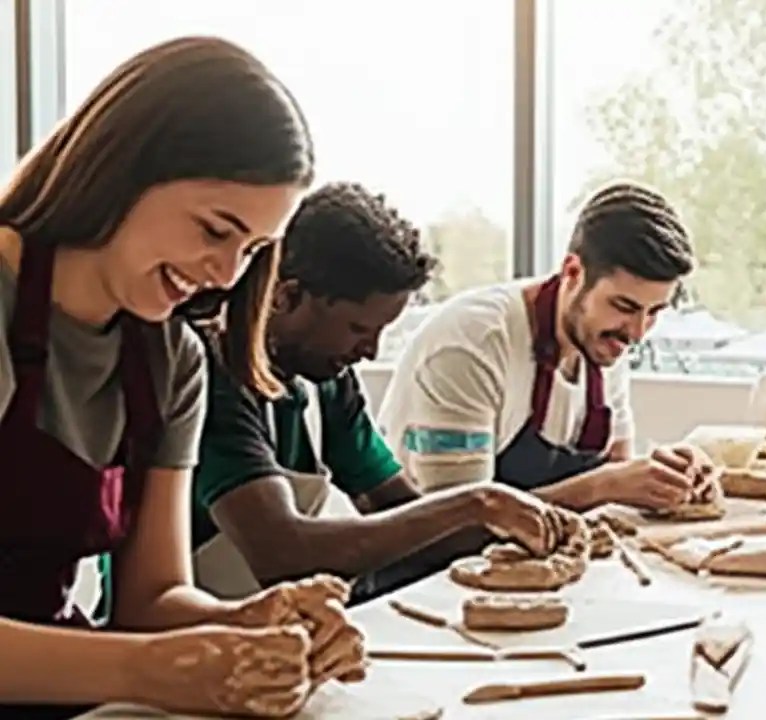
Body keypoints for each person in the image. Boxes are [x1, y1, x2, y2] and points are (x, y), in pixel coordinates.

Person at [0, 37, 366, 719]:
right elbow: (141, 648)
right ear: (125, 169)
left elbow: (153, 598)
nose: (226, 275)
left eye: (252, 249)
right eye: (214, 229)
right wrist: (145, 670)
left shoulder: (173, 361)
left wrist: (256, 623)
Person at [191, 181, 563, 603]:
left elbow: (398, 509)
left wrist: (540, 526)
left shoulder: (327, 383)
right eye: (358, 329)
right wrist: (476, 503)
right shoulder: (213, 379)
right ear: (286, 297)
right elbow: (280, 550)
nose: (369, 352)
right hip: (187, 640)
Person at [378, 181, 711, 511]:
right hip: (431, 561)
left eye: (654, 312)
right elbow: (456, 521)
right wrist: (603, 486)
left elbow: (618, 468)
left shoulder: (606, 339)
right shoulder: (472, 345)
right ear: (573, 271)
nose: (638, 334)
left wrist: (667, 477)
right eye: (624, 306)